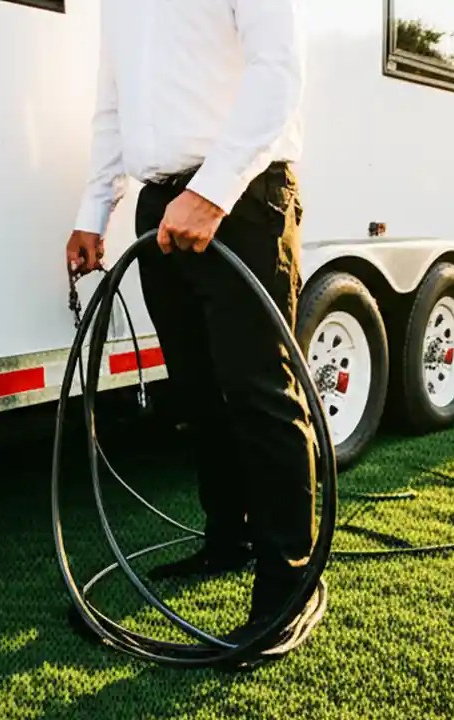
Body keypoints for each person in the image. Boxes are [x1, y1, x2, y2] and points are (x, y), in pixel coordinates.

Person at [65, 0, 319, 643]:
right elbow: (111, 105)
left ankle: (290, 585)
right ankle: (228, 540)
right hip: (161, 205)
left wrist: (211, 191)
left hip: (244, 197)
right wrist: (93, 213)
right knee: (199, 391)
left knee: (261, 392)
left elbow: (278, 68)